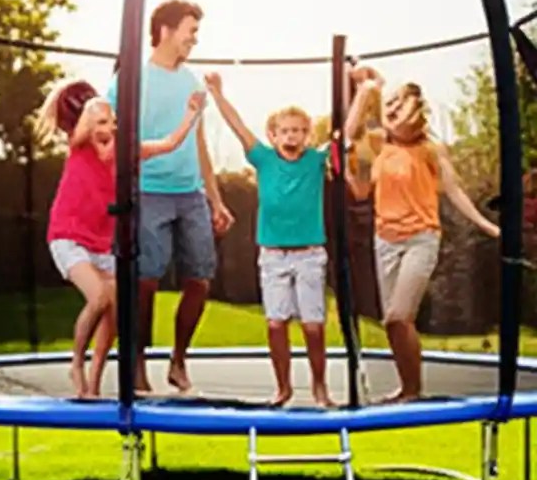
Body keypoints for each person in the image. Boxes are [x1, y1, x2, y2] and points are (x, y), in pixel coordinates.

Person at [37, 78, 204, 397]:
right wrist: (90, 103)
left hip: (100, 243)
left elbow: (168, 144)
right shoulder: (79, 144)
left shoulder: (127, 154)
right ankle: (75, 365)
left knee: (116, 310)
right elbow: (87, 121)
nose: (107, 128)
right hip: (68, 237)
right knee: (98, 297)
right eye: (100, 122)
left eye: (112, 123)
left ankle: (94, 385)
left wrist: (190, 115)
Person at [344, 71, 500, 403]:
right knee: (392, 324)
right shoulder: (378, 143)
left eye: (402, 103)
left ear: (417, 110)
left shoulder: (431, 148)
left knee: (399, 315)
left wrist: (487, 226)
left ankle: (413, 390)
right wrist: (364, 90)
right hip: (384, 240)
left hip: (420, 238)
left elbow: (454, 191)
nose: (394, 110)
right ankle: (407, 388)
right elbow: (349, 138)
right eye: (391, 105)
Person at [106, 0, 234, 394]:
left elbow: (198, 144)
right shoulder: (129, 81)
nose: (194, 39)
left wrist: (215, 199)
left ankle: (179, 360)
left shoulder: (192, 84)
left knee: (200, 278)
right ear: (165, 30)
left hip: (189, 194)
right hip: (147, 192)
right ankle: (139, 360)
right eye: (190, 30)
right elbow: (112, 141)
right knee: (145, 281)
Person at [204, 73, 336, 407]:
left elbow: (344, 131)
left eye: (299, 130)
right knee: (276, 323)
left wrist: (361, 90)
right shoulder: (263, 159)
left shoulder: (315, 161)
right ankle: (283, 387)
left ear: (307, 135)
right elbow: (237, 126)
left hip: (309, 255)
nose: (292, 136)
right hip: (274, 255)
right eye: (286, 130)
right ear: (273, 135)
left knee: (313, 326)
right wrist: (218, 93)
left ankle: (320, 387)